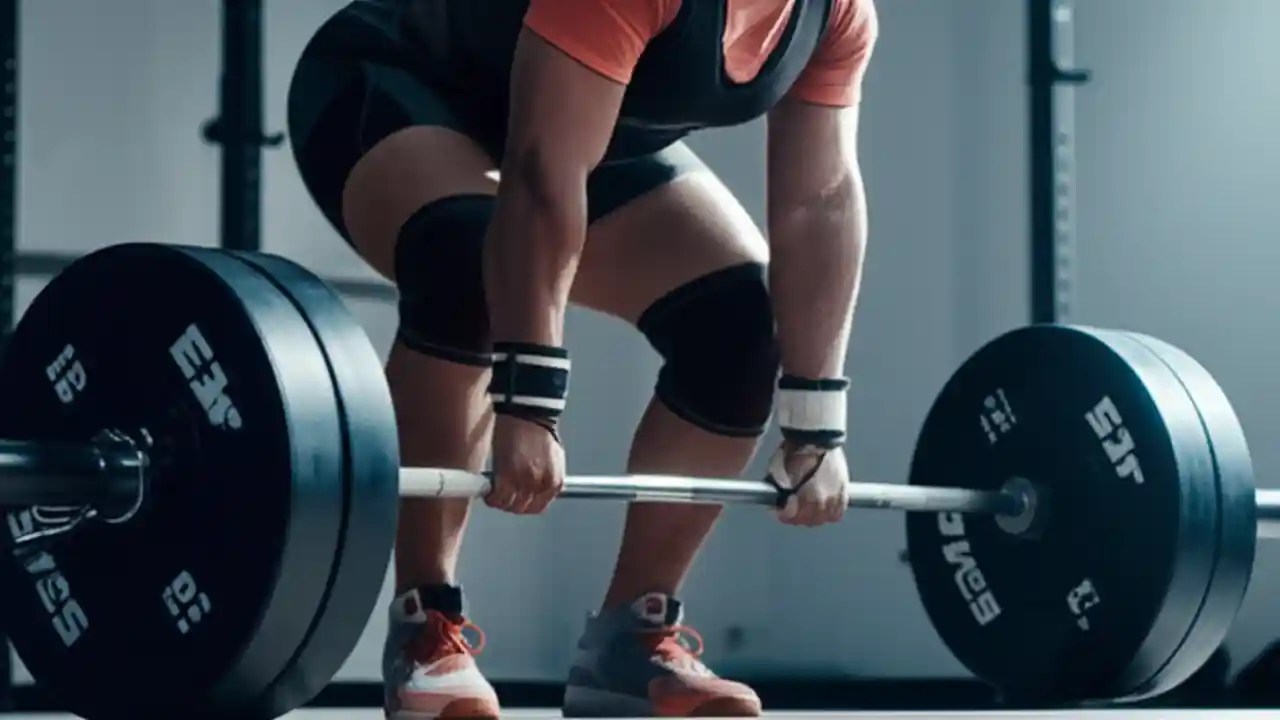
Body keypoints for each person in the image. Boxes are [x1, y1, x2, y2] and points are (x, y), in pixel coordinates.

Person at [286, 0, 878, 716]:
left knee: (741, 326)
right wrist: (528, 402)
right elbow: (540, 170)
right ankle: (426, 623)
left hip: (585, 127)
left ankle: (632, 640)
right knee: (470, 266)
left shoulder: (836, 15)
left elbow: (820, 201)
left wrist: (816, 425)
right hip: (394, 86)